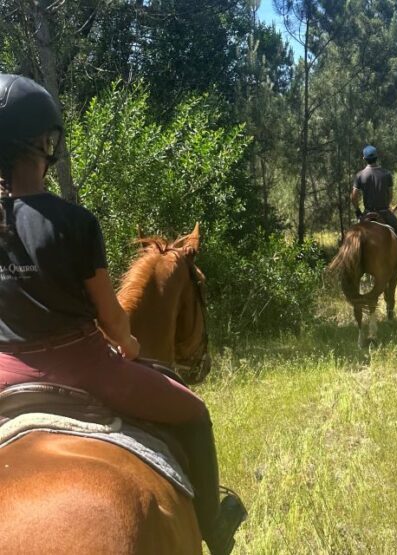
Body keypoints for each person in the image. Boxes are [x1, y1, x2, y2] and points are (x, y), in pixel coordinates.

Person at [0, 74, 244, 555]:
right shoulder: (74, 222)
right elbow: (111, 318)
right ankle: (213, 527)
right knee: (195, 412)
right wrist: (129, 346)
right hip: (86, 367)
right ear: (45, 144)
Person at [351, 145, 397, 270]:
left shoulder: (360, 175)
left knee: (352, 237)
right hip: (384, 212)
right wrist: (386, 204)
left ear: (364, 158)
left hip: (367, 213)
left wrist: (358, 212)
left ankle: (353, 265)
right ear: (377, 158)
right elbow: (390, 195)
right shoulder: (386, 174)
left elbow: (353, 197)